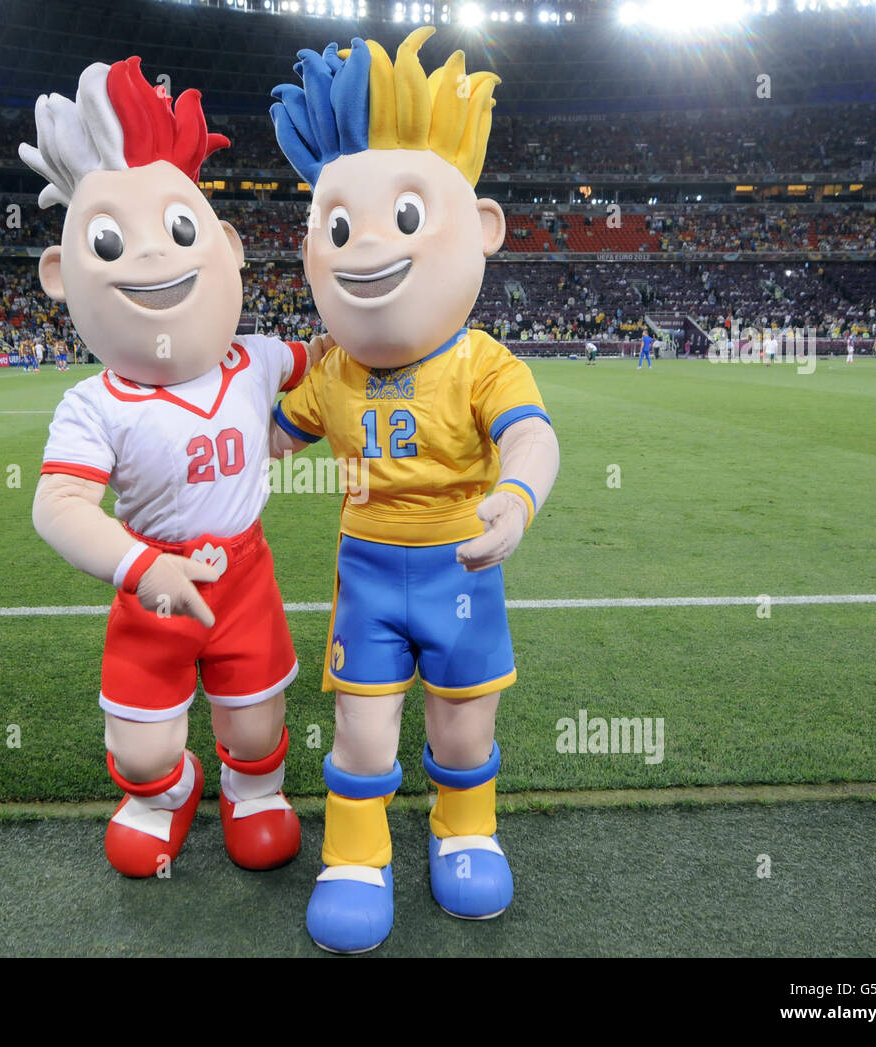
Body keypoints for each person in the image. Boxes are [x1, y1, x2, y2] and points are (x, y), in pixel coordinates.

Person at [270, 27, 559, 952]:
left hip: (462, 570)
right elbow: (268, 443)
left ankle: (463, 827)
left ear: (481, 231)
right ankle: (356, 853)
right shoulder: (330, 371)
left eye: (400, 219)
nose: (361, 252)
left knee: (465, 729)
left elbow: (533, 436)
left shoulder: (482, 362)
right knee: (362, 733)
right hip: (367, 574)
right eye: (339, 228)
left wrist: (515, 499)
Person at [23, 56, 322, 881]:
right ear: (62, 274)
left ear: (223, 246)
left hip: (243, 574)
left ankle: (251, 786)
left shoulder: (256, 360)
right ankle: (166, 789)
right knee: (142, 745)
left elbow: (332, 363)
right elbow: (58, 503)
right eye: (113, 242)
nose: (153, 257)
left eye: (181, 232)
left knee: (257, 725)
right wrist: (140, 563)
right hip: (151, 584)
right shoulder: (96, 402)